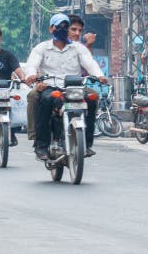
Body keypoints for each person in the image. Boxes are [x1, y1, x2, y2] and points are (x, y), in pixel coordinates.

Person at [24, 13, 107, 161]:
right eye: (59, 26)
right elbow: (32, 64)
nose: (63, 29)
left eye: (65, 26)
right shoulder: (42, 48)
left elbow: (89, 62)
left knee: (92, 98)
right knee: (46, 100)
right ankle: (41, 145)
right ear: (51, 29)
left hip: (74, 88)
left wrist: (100, 75)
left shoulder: (78, 48)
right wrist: (31, 75)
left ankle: (86, 144)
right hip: (51, 87)